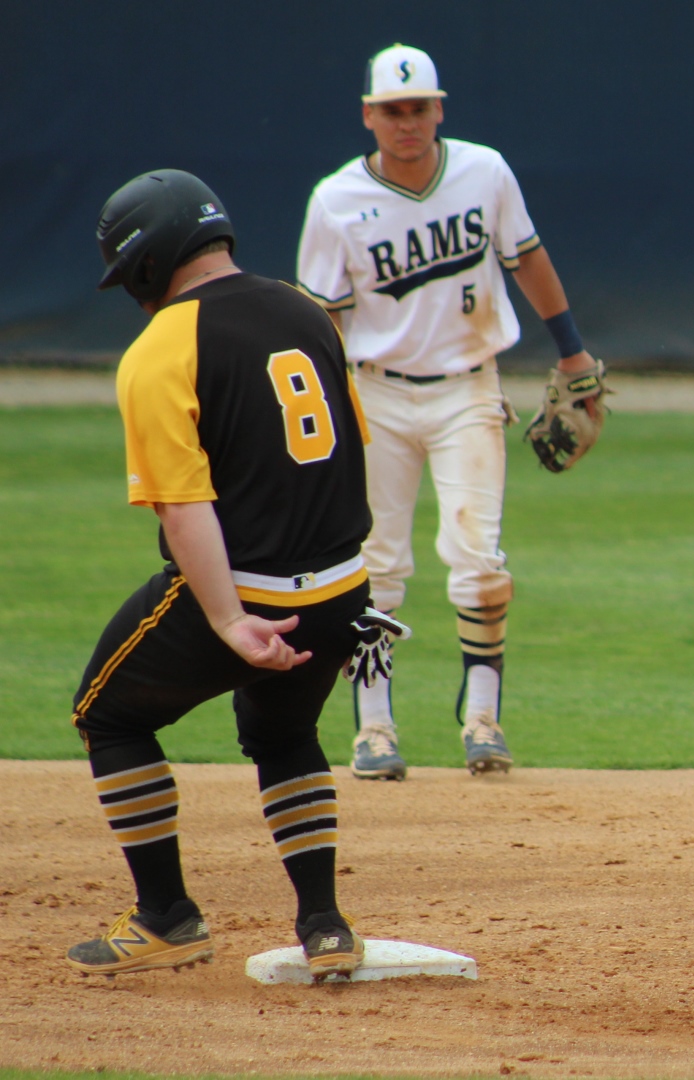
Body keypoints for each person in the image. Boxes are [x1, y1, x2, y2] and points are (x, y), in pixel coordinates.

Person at [67, 169, 381, 980]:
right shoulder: (307, 310)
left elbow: (183, 507)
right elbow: (352, 455)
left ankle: (167, 915)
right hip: (345, 588)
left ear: (146, 261)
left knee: (108, 715)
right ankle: (325, 926)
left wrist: (227, 619)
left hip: (257, 595)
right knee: (283, 735)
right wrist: (343, 592)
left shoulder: (161, 347)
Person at [296, 43, 606, 780]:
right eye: (393, 111)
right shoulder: (336, 201)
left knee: (478, 559)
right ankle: (374, 728)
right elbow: (319, 322)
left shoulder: (483, 172)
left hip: (469, 385)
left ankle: (483, 717)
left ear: (440, 109)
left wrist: (572, 355)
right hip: (373, 393)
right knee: (375, 567)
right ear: (369, 116)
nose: (407, 123)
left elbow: (528, 258)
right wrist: (323, 413)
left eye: (419, 108)